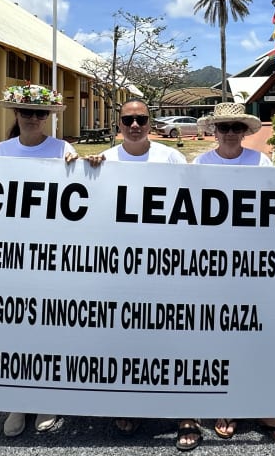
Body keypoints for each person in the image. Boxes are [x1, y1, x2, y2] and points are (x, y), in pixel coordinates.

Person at [88, 99, 199, 451]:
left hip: (167, 263)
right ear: (118, 123)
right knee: (125, 336)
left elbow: (193, 202)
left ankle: (186, 413)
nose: (134, 125)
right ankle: (129, 403)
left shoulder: (172, 158)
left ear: (150, 122)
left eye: (141, 119)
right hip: (119, 266)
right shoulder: (103, 160)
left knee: (177, 336)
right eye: (127, 120)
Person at [195, 103, 275, 449]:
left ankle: (267, 406)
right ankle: (229, 402)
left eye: (235, 127)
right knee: (222, 333)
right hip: (213, 262)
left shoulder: (260, 162)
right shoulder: (201, 164)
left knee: (259, 333)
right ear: (213, 131)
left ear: (245, 130)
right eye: (223, 127)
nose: (229, 133)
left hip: (254, 261)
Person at [0, 83, 75, 436]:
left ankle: (47, 397)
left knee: (50, 326)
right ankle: (16, 401)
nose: (34, 118)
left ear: (49, 116)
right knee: (15, 327)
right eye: (28, 112)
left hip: (54, 253)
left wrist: (85, 167)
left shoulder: (63, 149)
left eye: (41, 113)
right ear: (16, 114)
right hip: (12, 254)